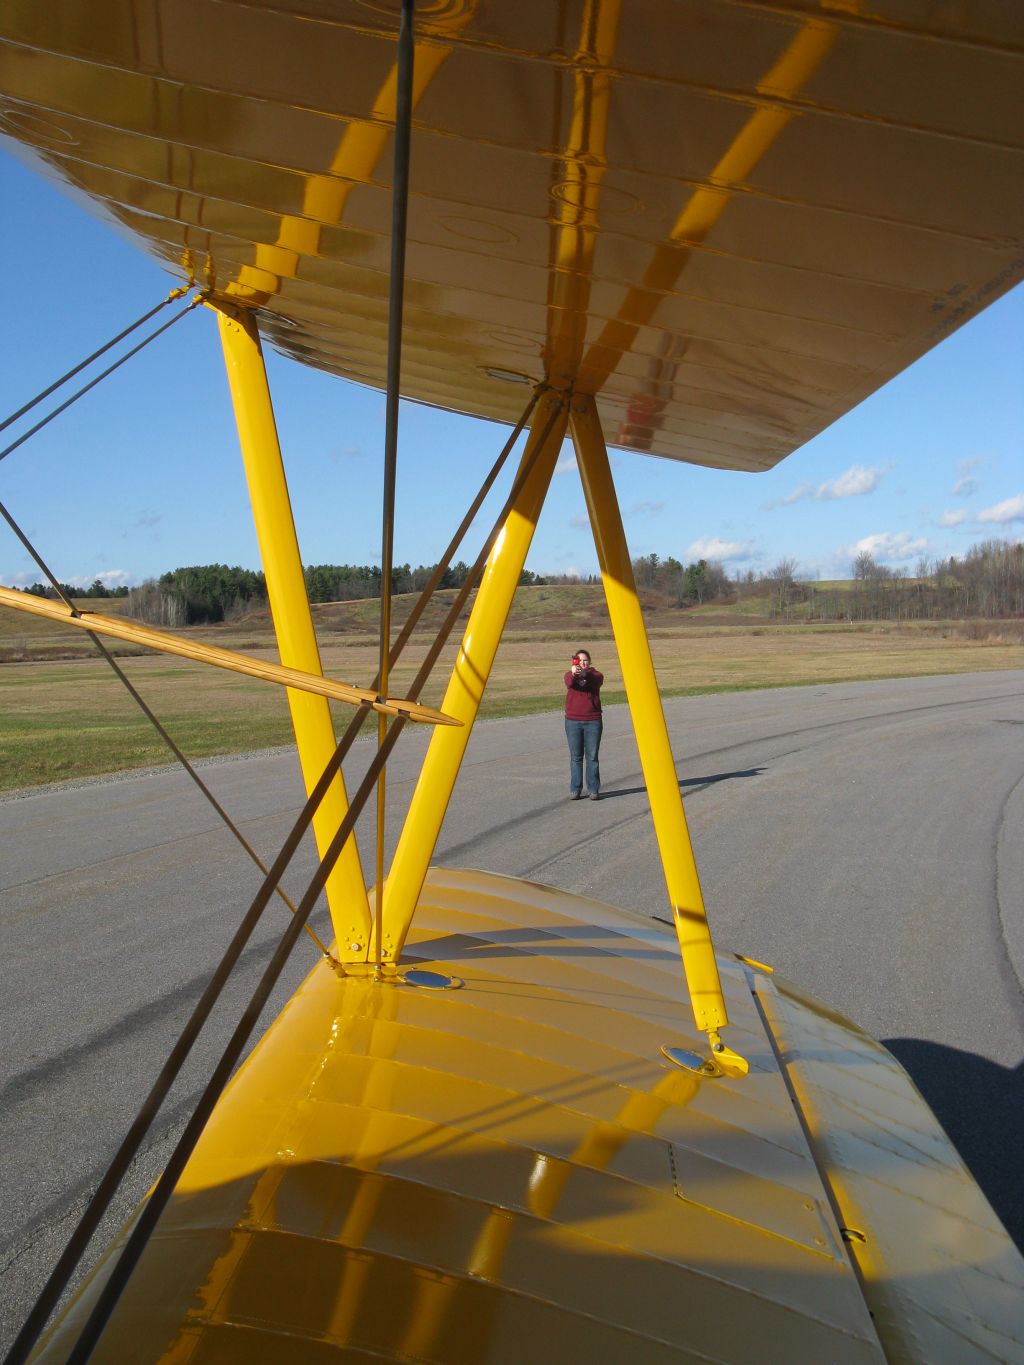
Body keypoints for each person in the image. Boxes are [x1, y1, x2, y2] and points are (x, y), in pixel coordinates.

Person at [564, 648, 603, 800]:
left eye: (585, 660)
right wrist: (574, 673)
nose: (583, 663)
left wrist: (585, 674)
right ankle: (575, 789)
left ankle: (593, 789)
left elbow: (596, 681)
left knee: (592, 757)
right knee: (576, 757)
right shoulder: (569, 674)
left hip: (592, 721)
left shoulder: (596, 675)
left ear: (590, 662)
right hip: (573, 721)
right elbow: (569, 683)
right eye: (579, 661)